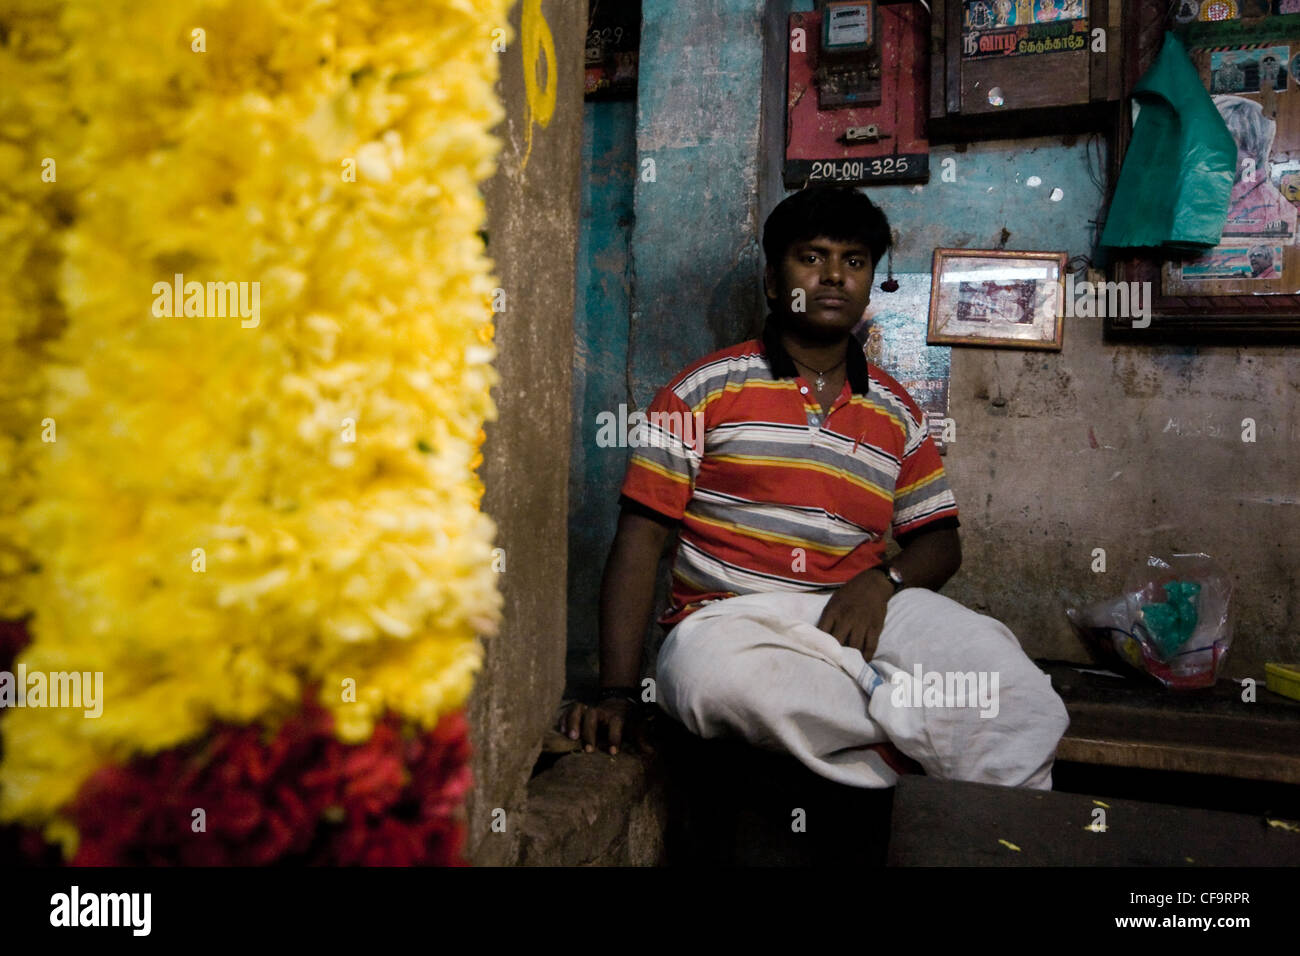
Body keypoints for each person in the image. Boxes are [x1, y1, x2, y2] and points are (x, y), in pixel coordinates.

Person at [560, 185, 1069, 790]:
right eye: (812, 257)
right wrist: (617, 693)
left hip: (863, 615)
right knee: (707, 683)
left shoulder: (896, 412)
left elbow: (941, 543)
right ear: (775, 282)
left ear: (870, 282)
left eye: (854, 261)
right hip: (732, 622)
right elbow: (640, 542)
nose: (834, 276)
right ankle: (909, 743)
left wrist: (883, 583)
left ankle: (961, 814)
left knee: (1015, 687)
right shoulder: (702, 390)